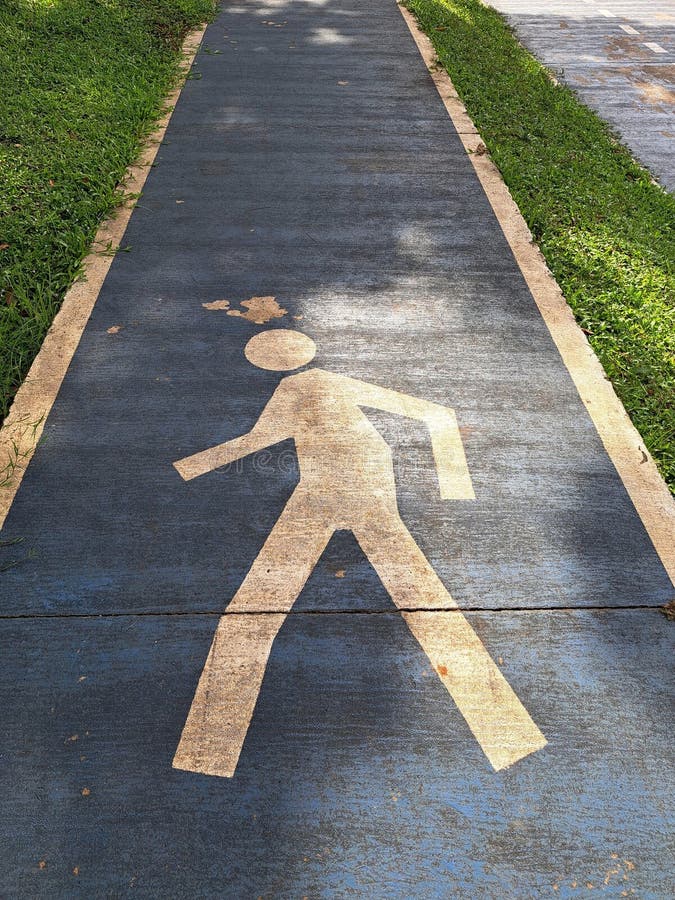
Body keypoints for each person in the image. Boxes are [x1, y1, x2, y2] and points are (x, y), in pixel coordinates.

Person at [173, 330, 546, 777]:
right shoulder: (292, 388)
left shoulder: (324, 382)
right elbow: (263, 437)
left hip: (359, 489)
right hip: (320, 490)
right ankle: (506, 729)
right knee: (418, 605)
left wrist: (454, 483)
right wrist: (194, 466)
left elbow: (435, 414)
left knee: (256, 611)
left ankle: (208, 749)